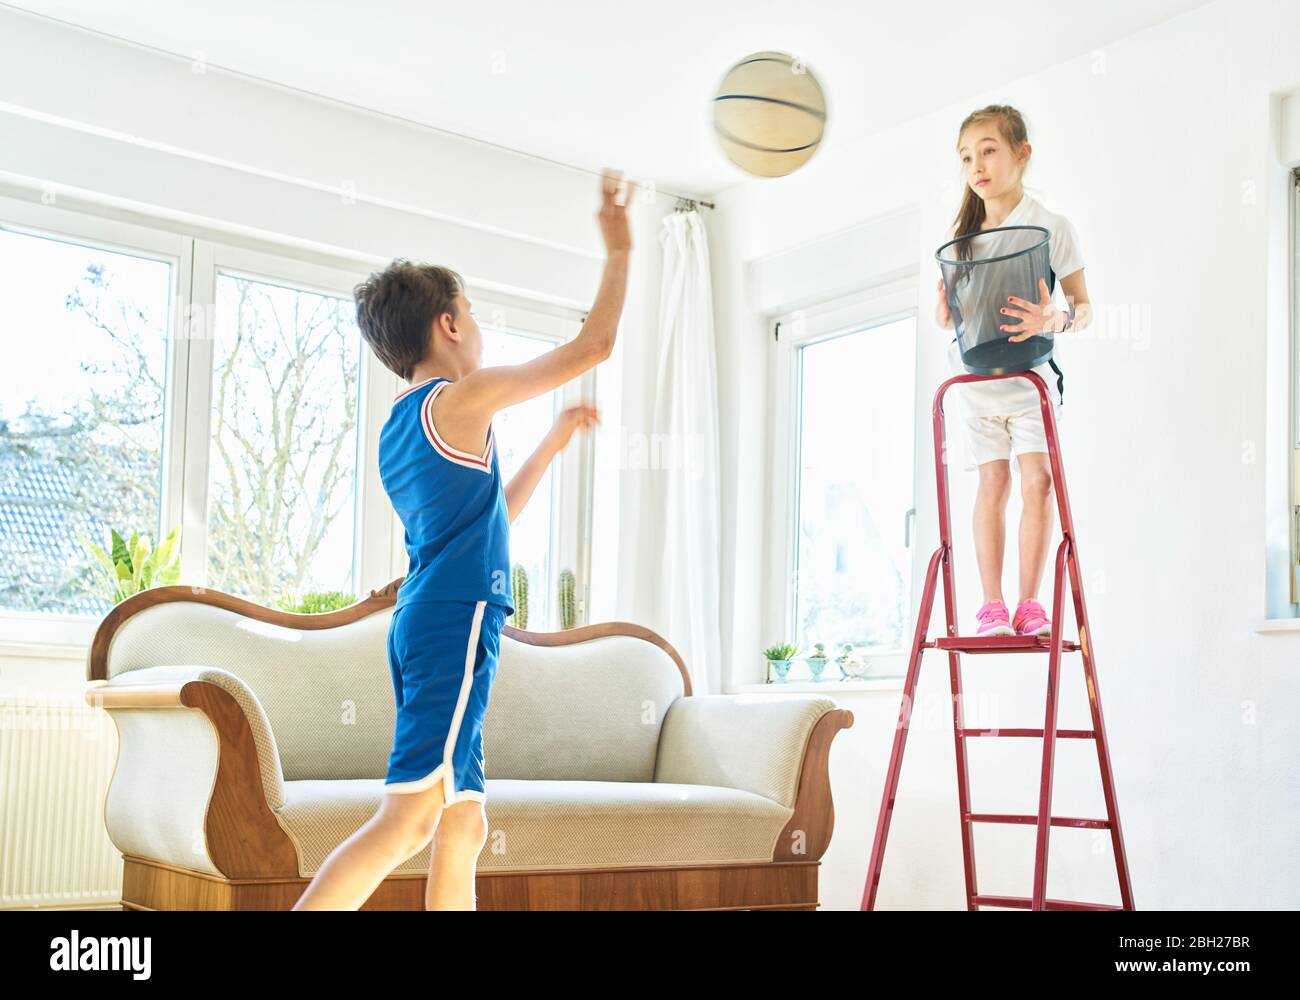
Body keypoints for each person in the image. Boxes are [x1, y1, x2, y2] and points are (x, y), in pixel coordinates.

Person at [293, 167, 635, 910]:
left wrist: (550, 442)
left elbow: (487, 521)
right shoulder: (463, 398)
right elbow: (596, 344)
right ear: (448, 325)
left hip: (430, 618)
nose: (477, 330)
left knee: (462, 821)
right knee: (410, 818)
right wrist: (618, 253)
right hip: (455, 619)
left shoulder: (401, 427)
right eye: (471, 315)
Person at [935, 105, 1093, 639]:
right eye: (966, 157)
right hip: (977, 387)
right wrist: (942, 306)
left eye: (988, 150)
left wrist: (1058, 316)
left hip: (1030, 382)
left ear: (1021, 155)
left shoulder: (1052, 227)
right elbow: (951, 320)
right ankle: (992, 606)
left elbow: (1084, 307)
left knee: (1038, 483)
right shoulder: (963, 241)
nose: (976, 165)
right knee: (993, 481)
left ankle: (1029, 603)